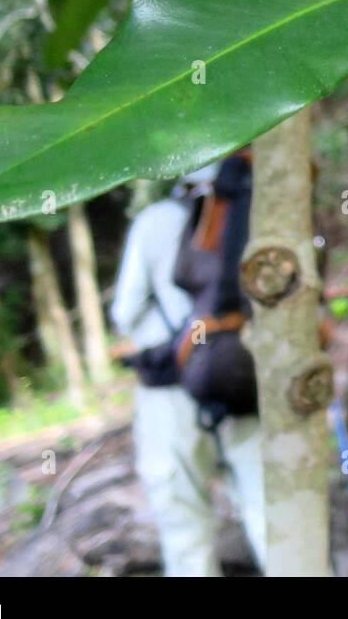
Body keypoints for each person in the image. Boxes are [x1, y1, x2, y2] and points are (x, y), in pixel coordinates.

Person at [111, 164, 266, 577]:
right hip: (244, 378)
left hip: (172, 392)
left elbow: (125, 313)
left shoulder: (156, 221)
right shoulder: (261, 215)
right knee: (269, 513)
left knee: (186, 529)